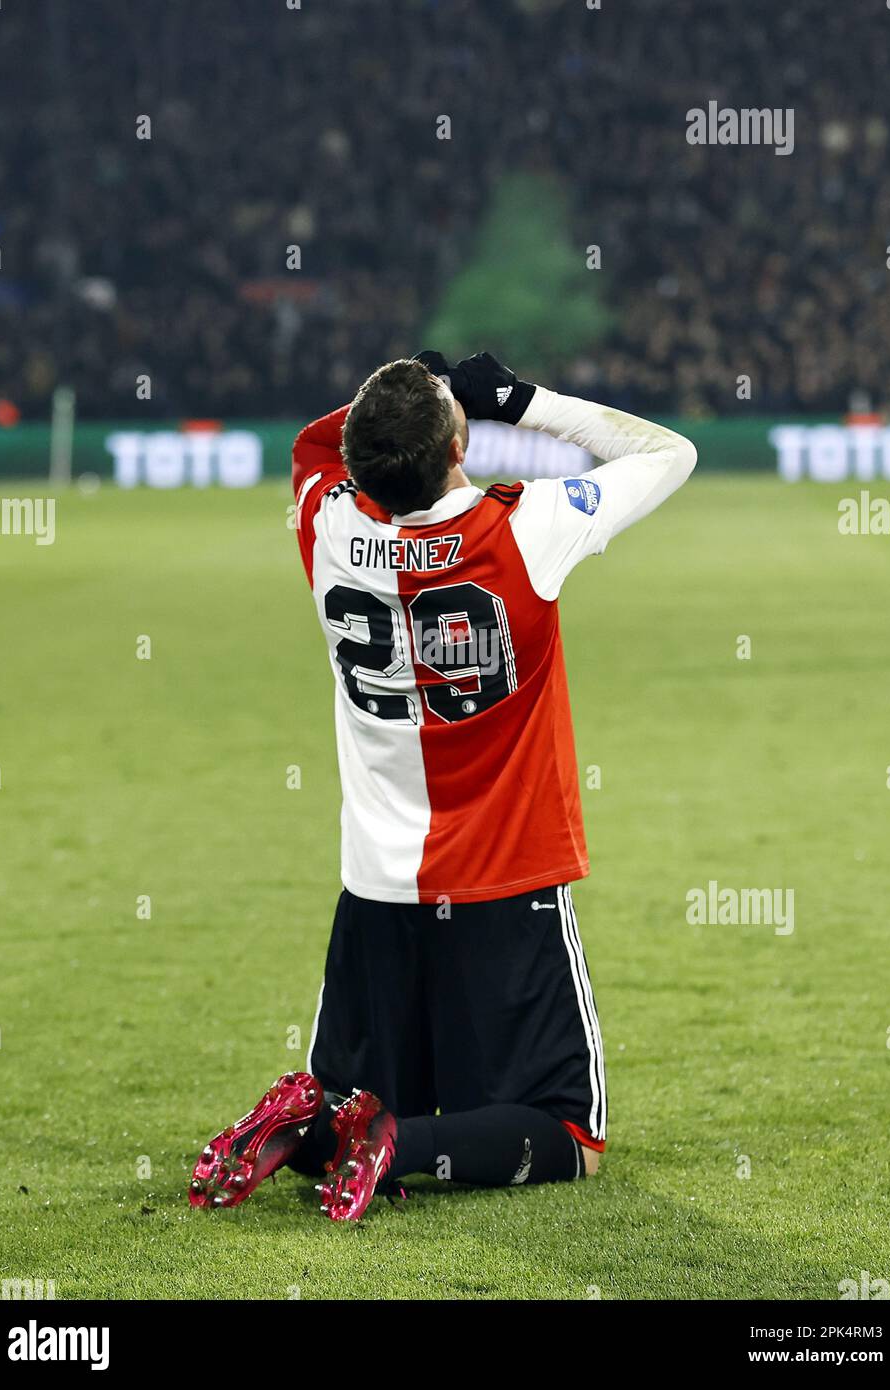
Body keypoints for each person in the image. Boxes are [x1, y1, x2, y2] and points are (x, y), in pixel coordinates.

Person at [190, 351, 696, 1219]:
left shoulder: (328, 528)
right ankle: (399, 1151)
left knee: (358, 1096)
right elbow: (667, 453)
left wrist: (391, 387)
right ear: (461, 438)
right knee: (562, 1136)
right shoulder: (524, 528)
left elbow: (319, 448)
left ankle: (310, 1125)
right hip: (504, 883)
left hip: (375, 889)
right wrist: (520, 401)